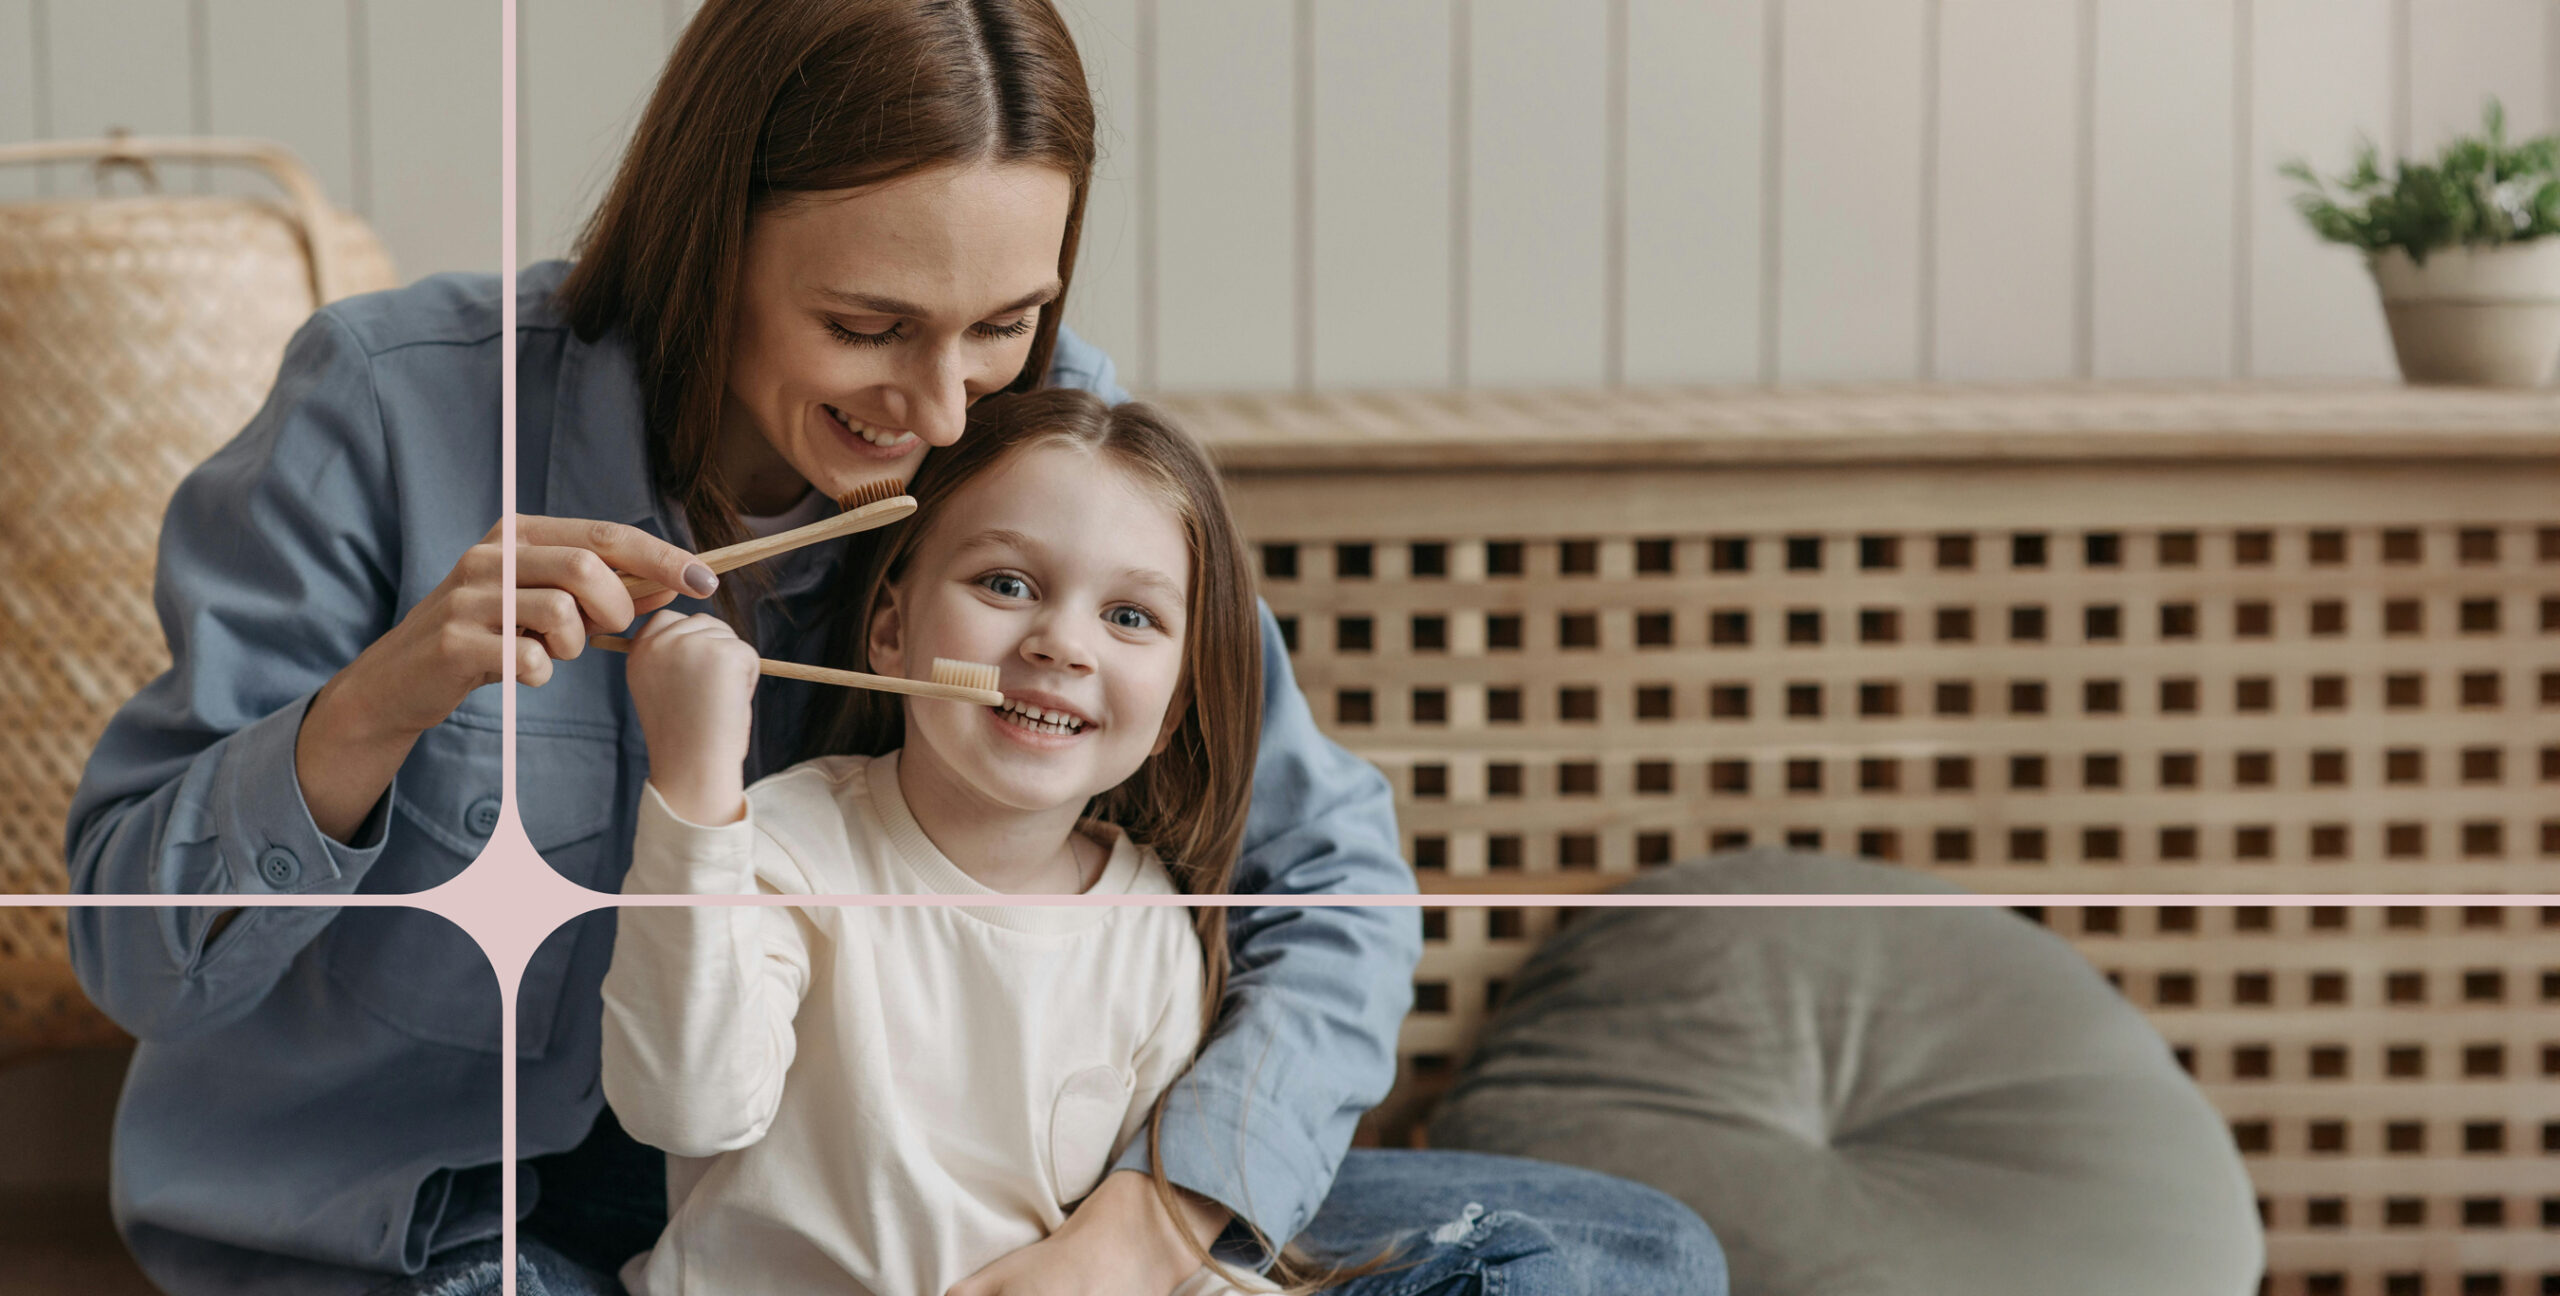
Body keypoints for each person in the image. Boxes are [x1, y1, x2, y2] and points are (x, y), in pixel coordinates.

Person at [66, 2, 1726, 1293]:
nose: (937, 412)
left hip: (939, 1209)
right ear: (709, 232)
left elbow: (1329, 880)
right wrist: (385, 698)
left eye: (1001, 327)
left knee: (1630, 1254)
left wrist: (1155, 1222)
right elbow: (132, 954)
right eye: (868, 328)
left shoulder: (1041, 455)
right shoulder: (383, 406)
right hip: (442, 1222)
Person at [602, 390, 1291, 1295]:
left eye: (1130, 617)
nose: (1062, 644)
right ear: (891, 634)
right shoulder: (786, 846)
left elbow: (1136, 1240)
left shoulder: (1150, 923)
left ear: (1172, 713)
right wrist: (695, 782)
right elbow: (683, 1106)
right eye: (1007, 585)